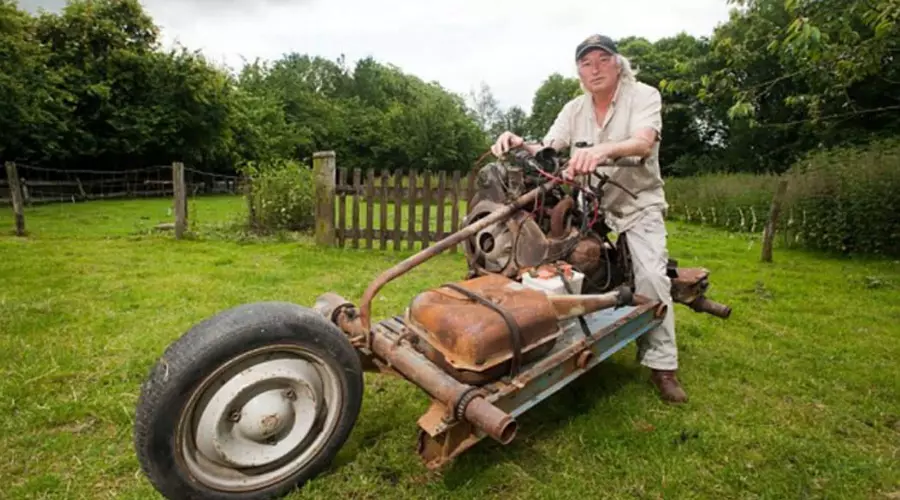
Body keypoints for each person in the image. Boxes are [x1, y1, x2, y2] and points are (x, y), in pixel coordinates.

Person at [490, 34, 687, 404]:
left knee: (650, 276)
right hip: (590, 205)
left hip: (636, 203)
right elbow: (549, 150)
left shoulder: (644, 95)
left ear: (618, 63)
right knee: (555, 264)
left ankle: (663, 366)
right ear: (579, 71)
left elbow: (644, 143)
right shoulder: (574, 109)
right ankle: (552, 342)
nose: (594, 68)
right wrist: (519, 143)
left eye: (602, 59)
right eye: (586, 62)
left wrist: (602, 150)